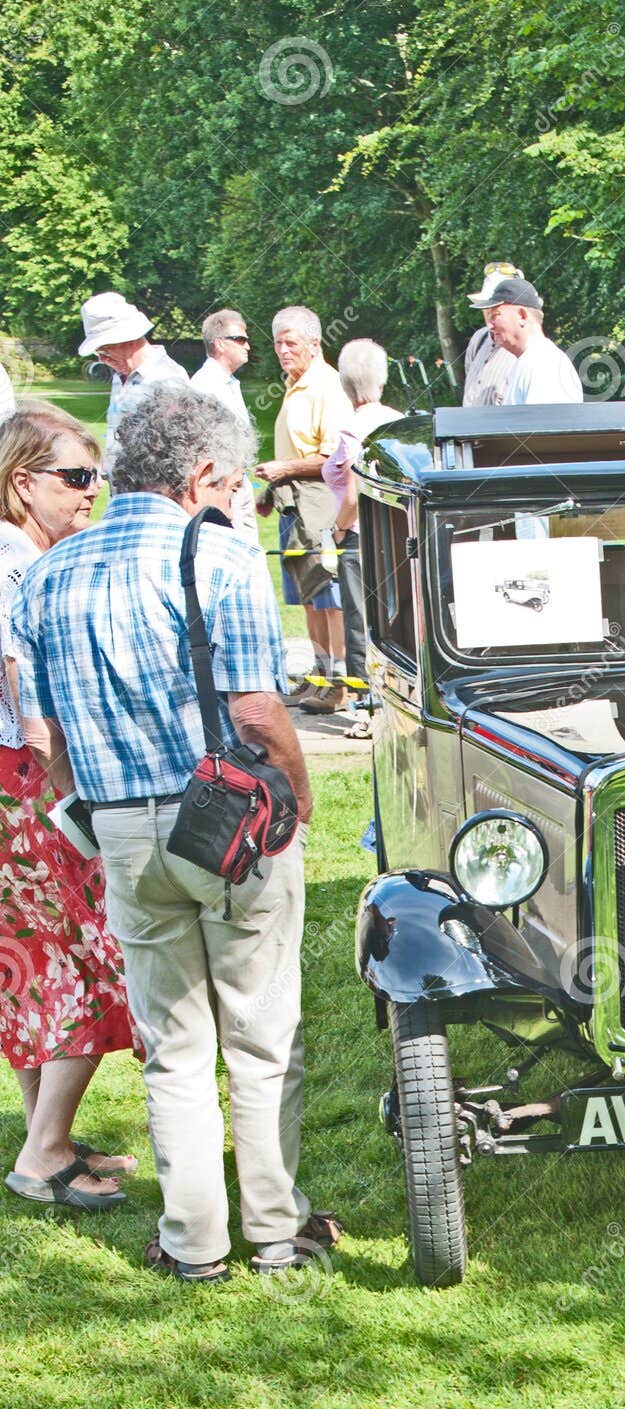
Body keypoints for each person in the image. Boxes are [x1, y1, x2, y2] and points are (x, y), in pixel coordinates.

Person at [12, 384, 336, 1282]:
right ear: (198, 474)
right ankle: (275, 1230)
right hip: (229, 824)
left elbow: (41, 736)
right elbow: (260, 709)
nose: (234, 499)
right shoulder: (221, 556)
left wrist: (92, 807)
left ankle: (195, 1244)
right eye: (230, 484)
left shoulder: (48, 572)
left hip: (120, 829)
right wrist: (298, 800)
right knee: (263, 1037)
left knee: (175, 1046)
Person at [0, 403, 137, 1212]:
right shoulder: (20, 566)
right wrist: (70, 797)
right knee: (90, 960)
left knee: (30, 966)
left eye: (98, 478)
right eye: (76, 478)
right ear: (23, 484)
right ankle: (44, 1153)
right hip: (30, 786)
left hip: (12, 785)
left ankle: (38, 1132)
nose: (92, 494)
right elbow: (26, 694)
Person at [256, 306, 355, 711]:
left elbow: (335, 458)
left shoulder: (326, 387)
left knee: (329, 597)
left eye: (290, 342)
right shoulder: (295, 384)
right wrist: (272, 487)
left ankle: (340, 684)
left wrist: (286, 469)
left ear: (315, 344)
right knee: (310, 599)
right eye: (278, 342)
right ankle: (318, 677)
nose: (282, 350)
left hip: (319, 504)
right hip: (293, 504)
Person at [318, 340, 403, 728]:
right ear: (382, 381)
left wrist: (336, 531)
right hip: (400, 534)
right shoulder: (398, 422)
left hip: (359, 537)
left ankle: (368, 705)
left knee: (360, 620)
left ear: (346, 385)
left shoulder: (353, 428)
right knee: (397, 615)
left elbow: (351, 492)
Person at [78, 291, 189, 473]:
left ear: (127, 339)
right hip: (123, 490)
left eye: (105, 350)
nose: (102, 359)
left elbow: (176, 450)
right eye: (97, 353)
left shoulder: (168, 378)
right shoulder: (120, 376)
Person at [190, 309, 259, 543]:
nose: (247, 346)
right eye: (240, 339)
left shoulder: (227, 382)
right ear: (219, 344)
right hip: (221, 487)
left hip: (235, 483)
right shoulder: (206, 386)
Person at [482, 276, 583, 405]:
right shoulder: (530, 361)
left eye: (495, 316)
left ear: (522, 316)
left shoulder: (544, 364)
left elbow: (546, 424)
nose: (489, 325)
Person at [462, 261, 525, 406]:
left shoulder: (529, 353)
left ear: (519, 311)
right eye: (486, 309)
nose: (490, 321)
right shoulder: (479, 339)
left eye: (496, 312)